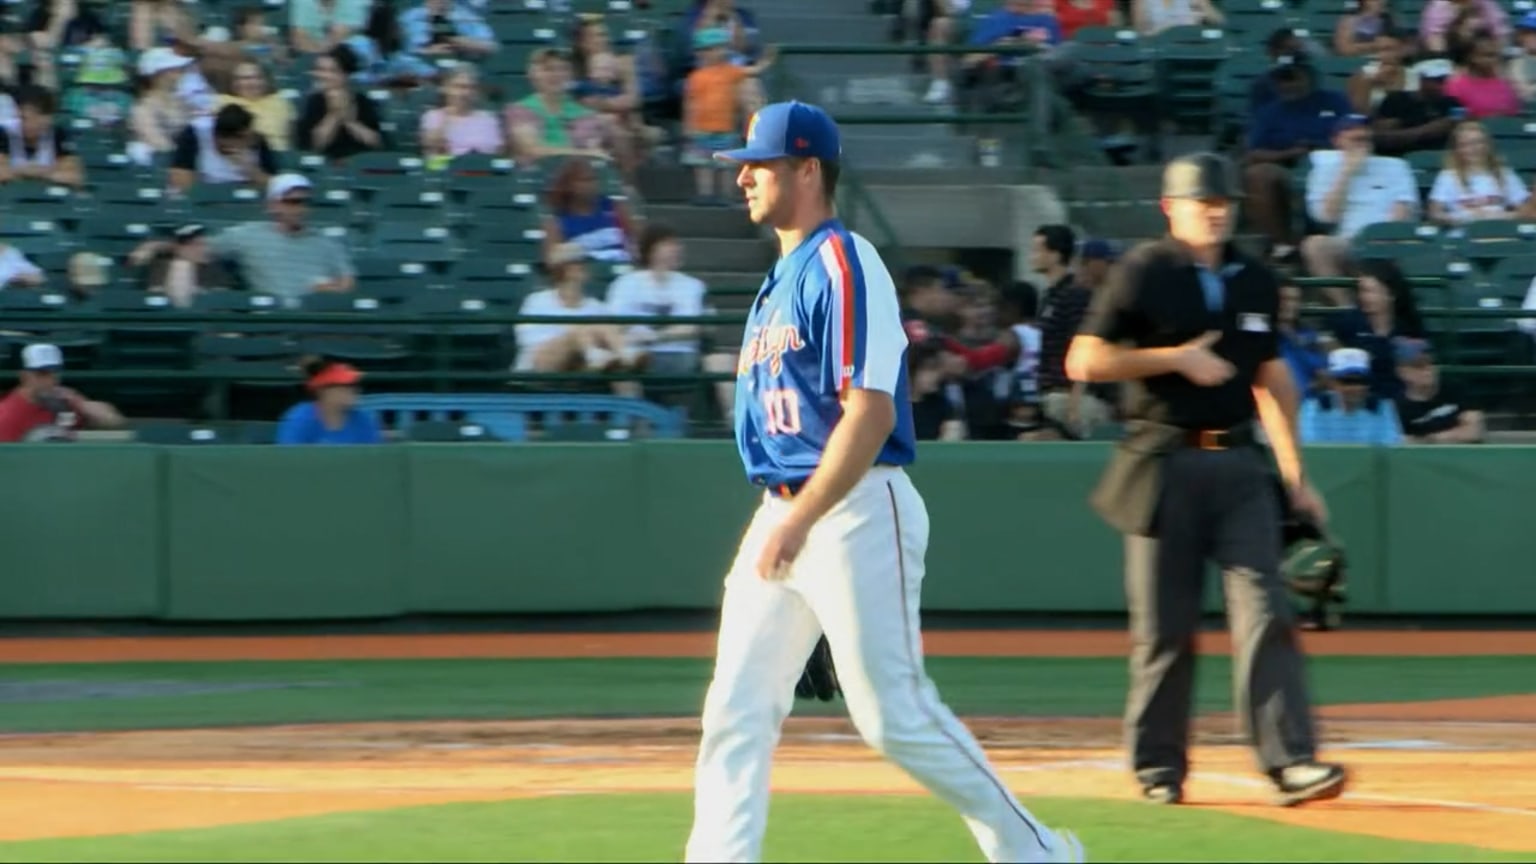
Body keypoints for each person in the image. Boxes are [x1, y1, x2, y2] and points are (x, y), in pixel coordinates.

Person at [683, 100, 1084, 864]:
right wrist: (786, 529)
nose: (742, 176)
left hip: (855, 507)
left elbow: (866, 413)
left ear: (807, 169)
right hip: (784, 510)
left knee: (892, 715)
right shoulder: (778, 280)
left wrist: (803, 526)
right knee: (736, 706)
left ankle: (1037, 852)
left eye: (759, 163)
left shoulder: (844, 260)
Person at [1064, 152, 1347, 808]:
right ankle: (1159, 767)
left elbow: (1272, 377)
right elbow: (1084, 359)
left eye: (1222, 202)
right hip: (1162, 462)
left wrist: (1295, 475)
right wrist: (1175, 358)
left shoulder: (1255, 278)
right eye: (1201, 202)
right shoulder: (1144, 270)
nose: (1215, 211)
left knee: (1268, 612)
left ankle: (1291, 761)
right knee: (1165, 629)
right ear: (1172, 208)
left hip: (1240, 466)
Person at [0, 343, 124, 443]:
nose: (50, 380)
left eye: (54, 373)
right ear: (24, 377)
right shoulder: (7, 414)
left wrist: (78, 402)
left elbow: (114, 421)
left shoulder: (64, 403)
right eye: (42, 374)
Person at [275, 357, 384, 445]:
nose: (354, 390)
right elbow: (290, 462)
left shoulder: (363, 420)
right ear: (323, 392)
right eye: (345, 386)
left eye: (354, 386)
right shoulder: (300, 419)